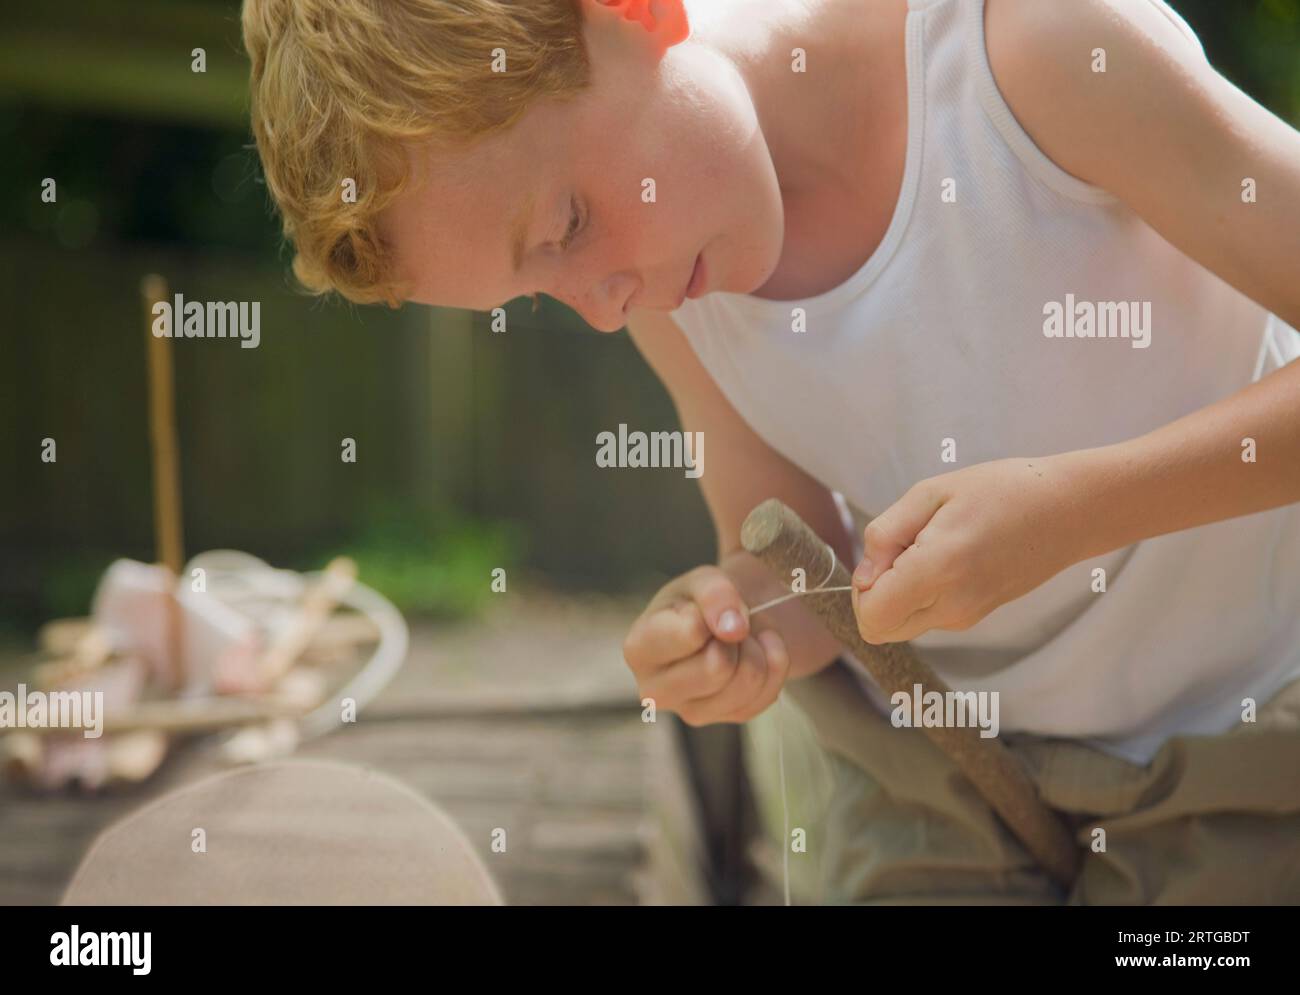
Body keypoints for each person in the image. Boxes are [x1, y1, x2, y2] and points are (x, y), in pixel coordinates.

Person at [240, 0, 1300, 902]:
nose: (602, 309)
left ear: (637, 12)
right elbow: (802, 565)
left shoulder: (1032, 52)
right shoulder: (667, 280)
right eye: (540, 288)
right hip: (949, 768)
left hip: (1247, 726)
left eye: (566, 223)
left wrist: (1078, 512)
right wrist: (734, 623)